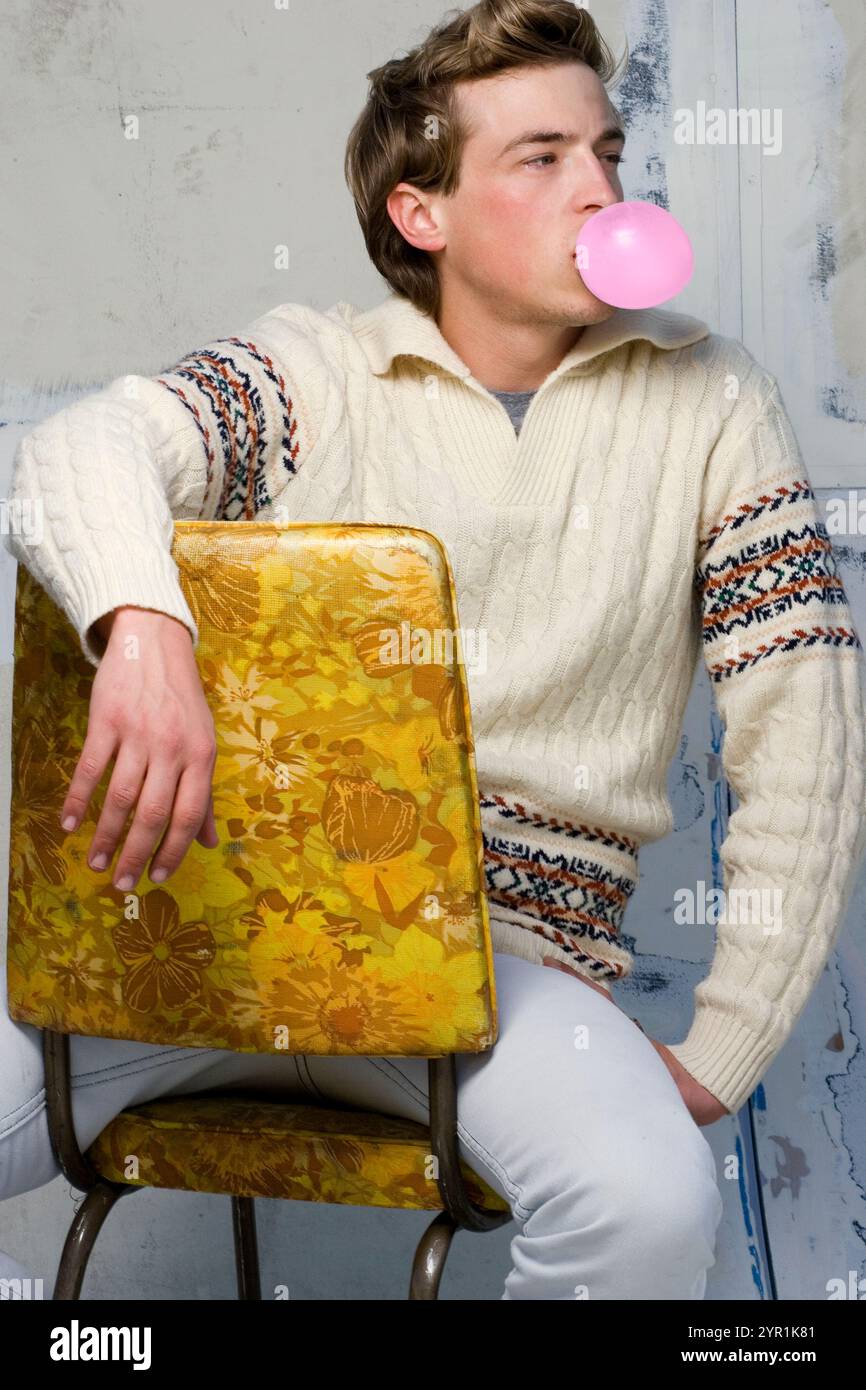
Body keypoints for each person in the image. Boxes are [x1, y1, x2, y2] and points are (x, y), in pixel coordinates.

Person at [2, 0, 863, 1299]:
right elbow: (85, 447)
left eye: (606, 152)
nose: (600, 189)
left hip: (499, 979)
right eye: (541, 157)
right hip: (204, 952)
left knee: (641, 1208)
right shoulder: (310, 376)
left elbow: (804, 737)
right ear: (424, 213)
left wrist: (726, 1039)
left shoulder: (712, 400)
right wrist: (142, 624)